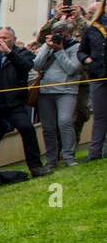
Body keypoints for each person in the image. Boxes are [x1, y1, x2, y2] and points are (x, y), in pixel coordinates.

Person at [0, 26, 50, 178]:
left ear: (14, 39)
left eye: (5, 38)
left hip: (14, 104)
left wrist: (8, 52)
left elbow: (25, 67)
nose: (1, 41)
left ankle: (35, 167)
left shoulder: (23, 53)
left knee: (27, 130)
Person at [33, 26, 85, 168]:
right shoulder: (47, 45)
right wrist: (46, 48)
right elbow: (36, 65)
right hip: (46, 91)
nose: (59, 37)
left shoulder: (77, 47)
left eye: (62, 34)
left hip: (67, 91)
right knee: (48, 127)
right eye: (56, 34)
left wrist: (60, 50)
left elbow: (72, 69)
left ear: (69, 33)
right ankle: (51, 160)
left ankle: (69, 157)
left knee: (65, 121)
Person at [81, 0, 107, 161]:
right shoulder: (92, 28)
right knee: (99, 116)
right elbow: (81, 51)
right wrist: (87, 60)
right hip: (97, 75)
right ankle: (94, 153)